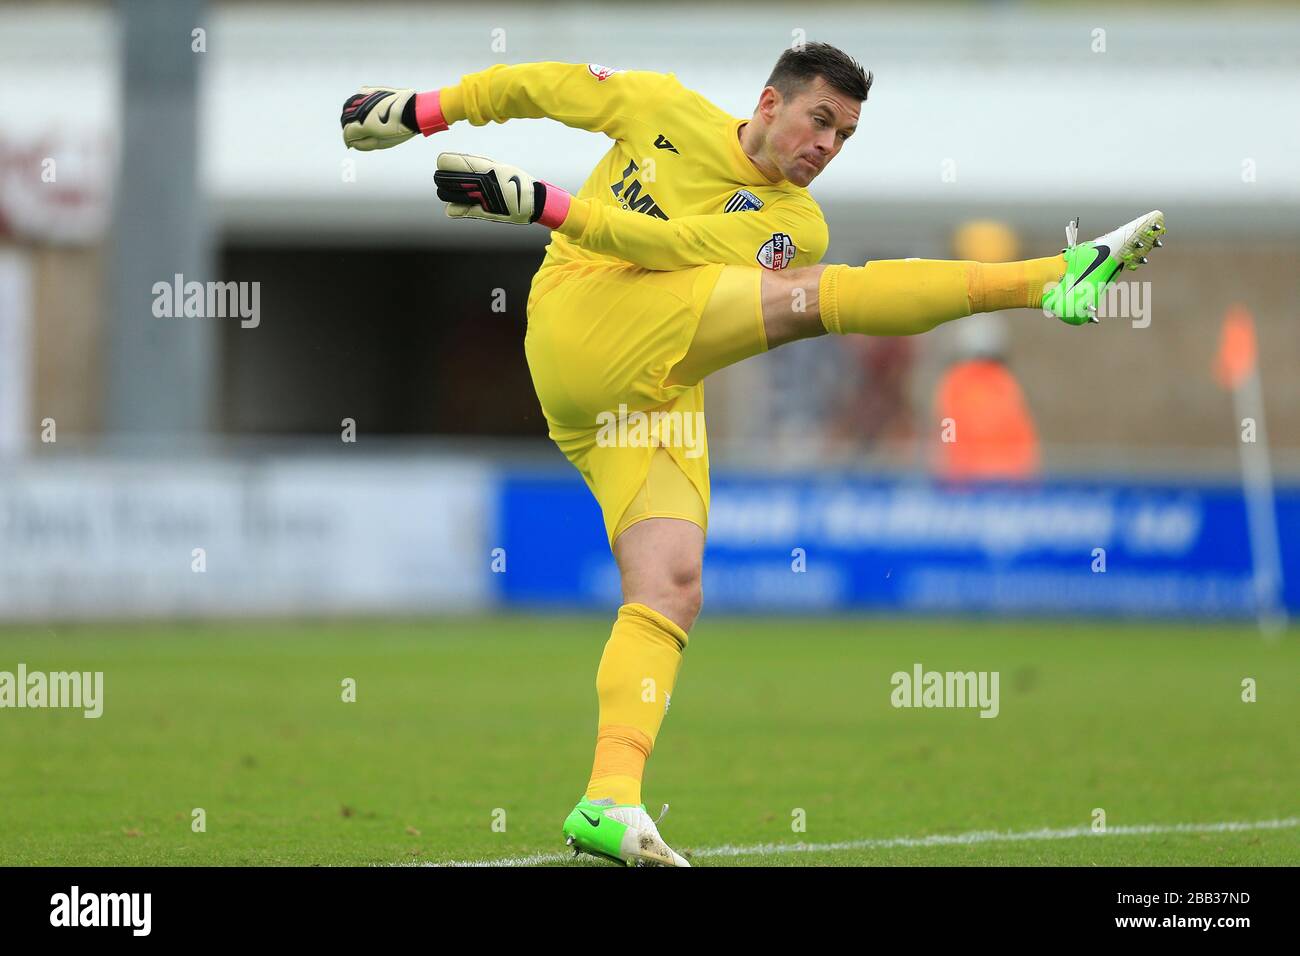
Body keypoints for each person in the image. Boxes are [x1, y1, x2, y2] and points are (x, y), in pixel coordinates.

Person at [341, 43, 1166, 866]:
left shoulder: (794, 225)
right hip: (581, 321)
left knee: (671, 583)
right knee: (818, 304)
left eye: (844, 136)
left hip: (645, 392)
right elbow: (541, 83)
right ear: (769, 104)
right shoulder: (661, 106)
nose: (826, 147)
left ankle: (609, 800)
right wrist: (422, 111)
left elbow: (672, 250)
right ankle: (1053, 277)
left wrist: (545, 204)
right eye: (820, 120)